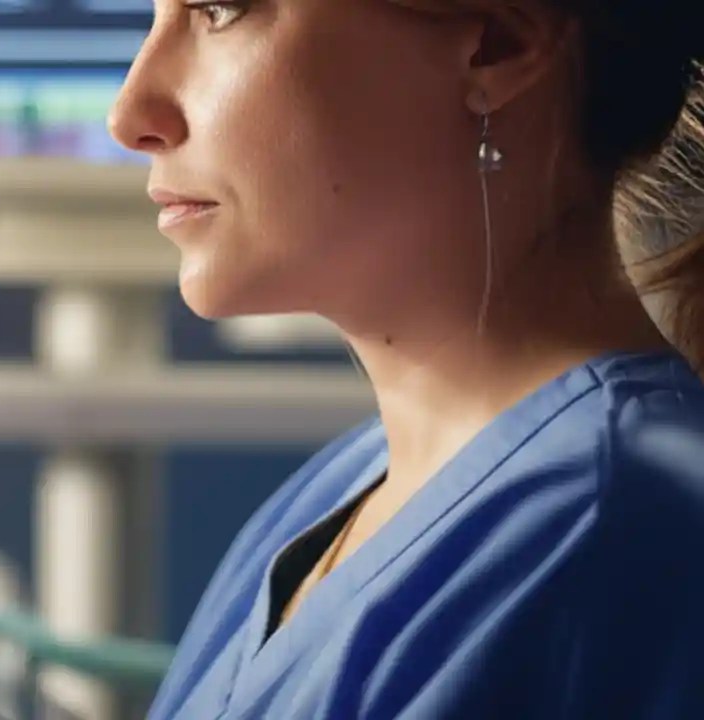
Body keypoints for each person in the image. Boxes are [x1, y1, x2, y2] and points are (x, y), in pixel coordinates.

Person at [108, 0, 704, 717]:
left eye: (220, 10)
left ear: (498, 44)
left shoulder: (612, 538)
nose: (130, 116)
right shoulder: (339, 495)